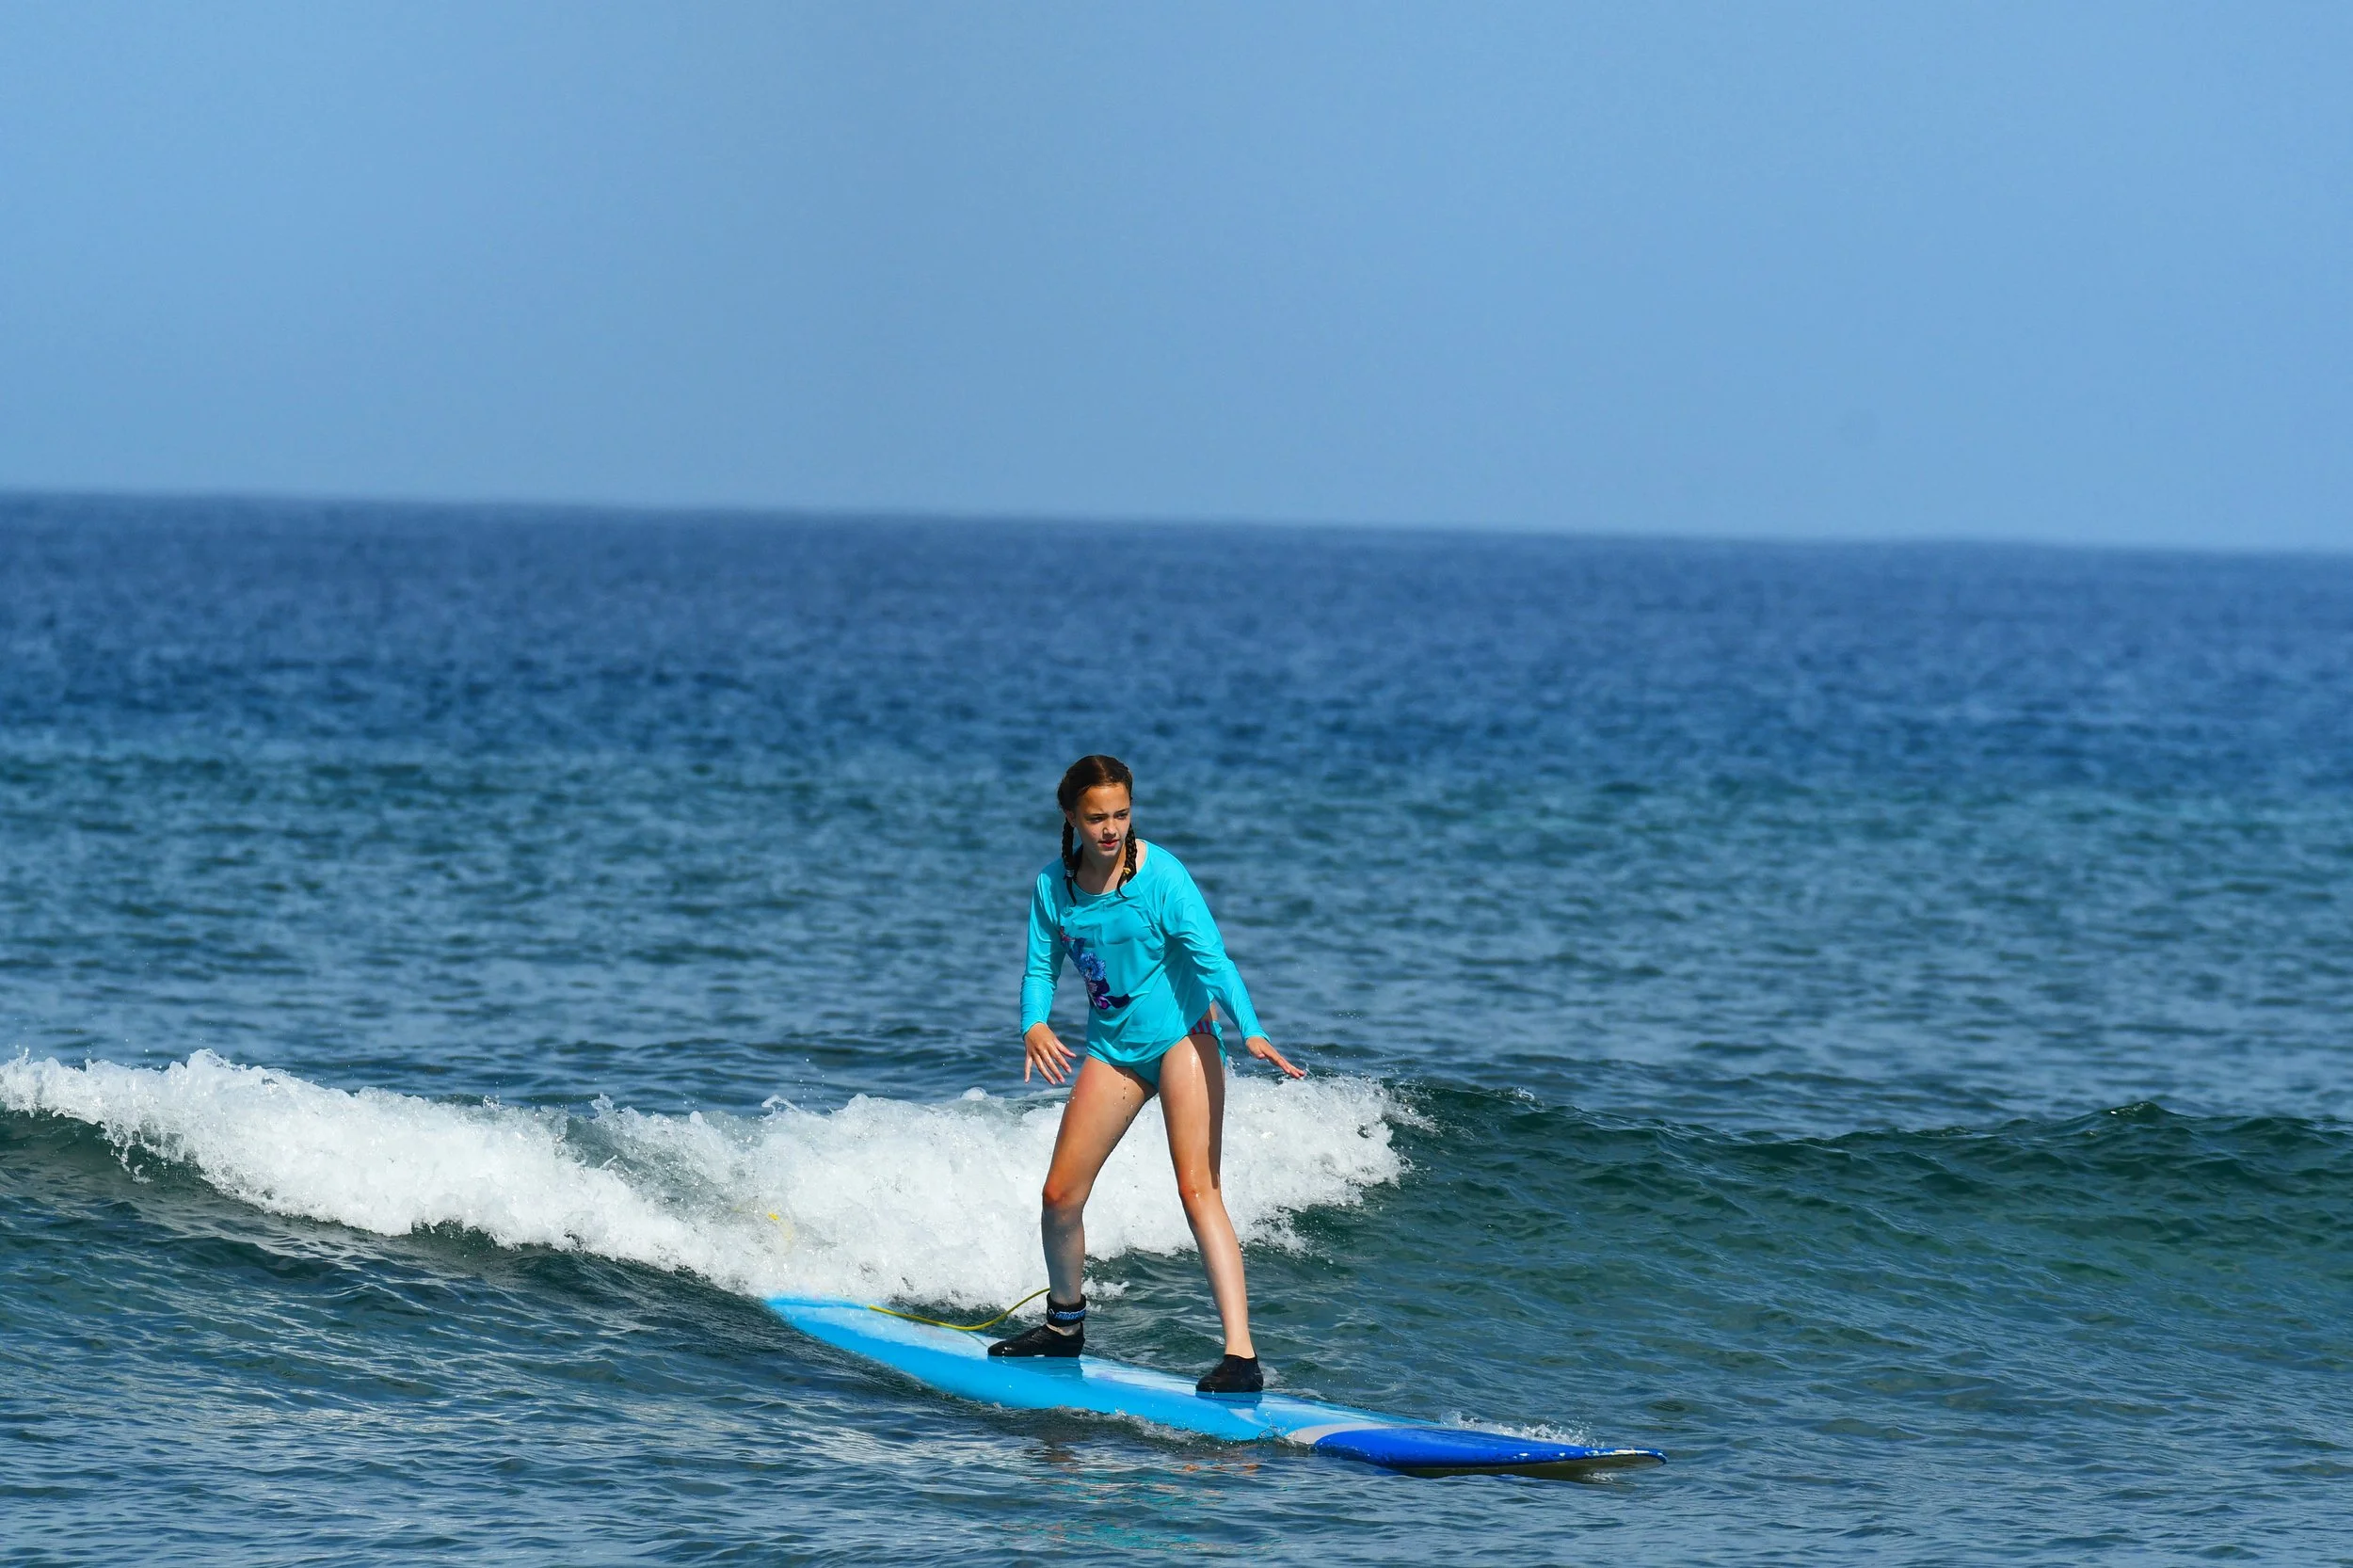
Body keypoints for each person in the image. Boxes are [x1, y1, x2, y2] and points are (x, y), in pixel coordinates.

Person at [991, 754, 1304, 1393]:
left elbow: (1211, 958)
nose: (1111, 828)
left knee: (1197, 1190)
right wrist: (1034, 1022)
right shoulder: (1055, 887)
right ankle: (1064, 1326)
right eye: (1097, 817)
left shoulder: (1161, 876)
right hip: (1113, 1051)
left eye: (1121, 814)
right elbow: (1040, 968)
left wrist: (1252, 1028)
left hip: (1183, 1038)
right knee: (1059, 1196)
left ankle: (1241, 1357)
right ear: (1071, 818)